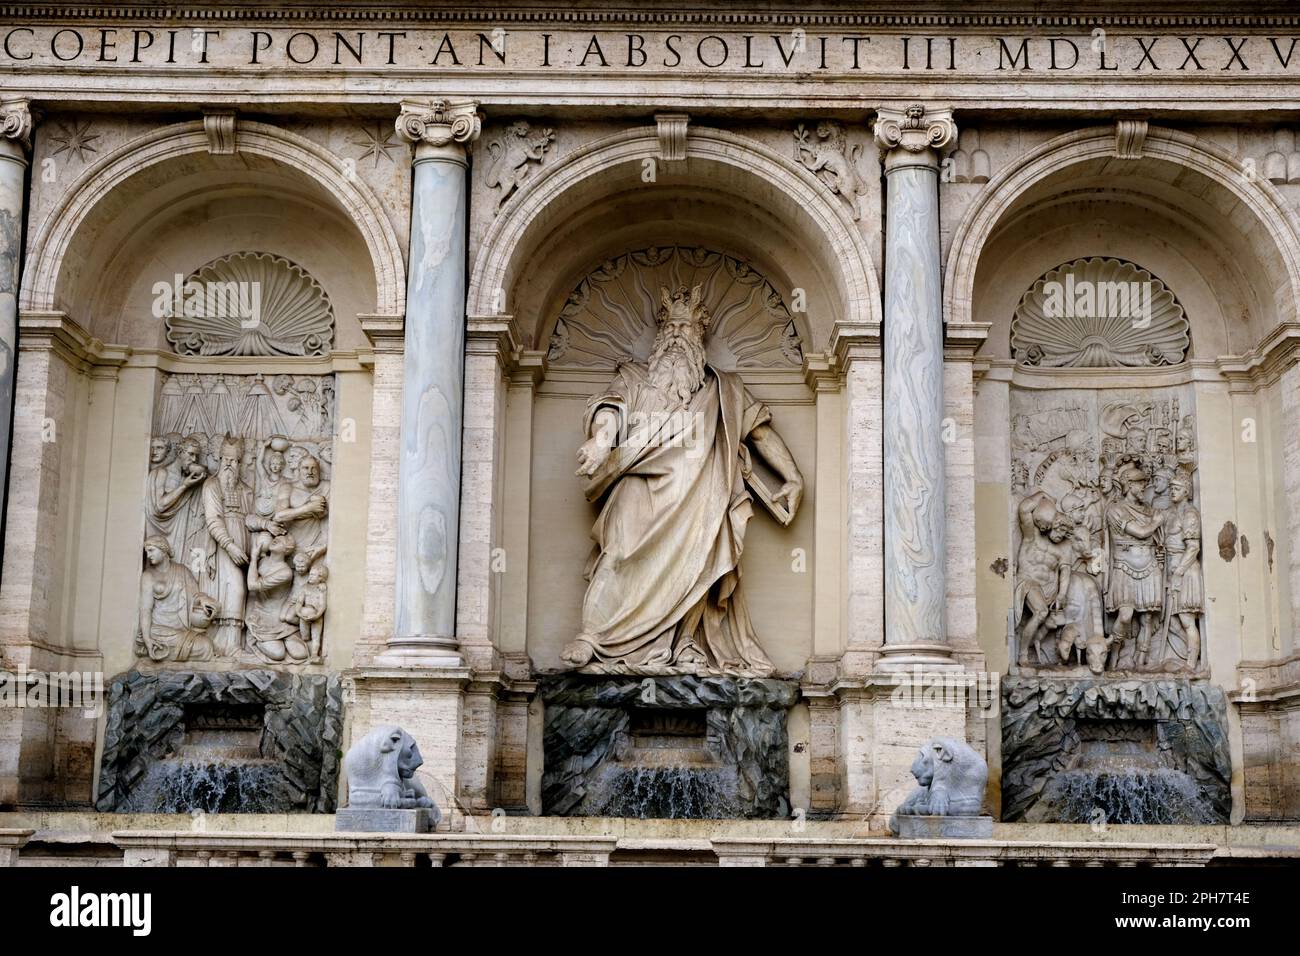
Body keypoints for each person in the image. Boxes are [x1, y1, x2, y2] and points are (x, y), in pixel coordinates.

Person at [561, 285, 803, 676]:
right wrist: (601, 440)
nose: (676, 340)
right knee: (619, 551)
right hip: (638, 485)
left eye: (685, 333)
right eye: (670, 333)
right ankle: (595, 635)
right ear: (658, 342)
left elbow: (758, 433)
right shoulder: (634, 379)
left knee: (701, 551)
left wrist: (791, 476)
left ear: (699, 341)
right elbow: (610, 409)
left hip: (699, 494)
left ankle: (686, 641)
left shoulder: (723, 389)